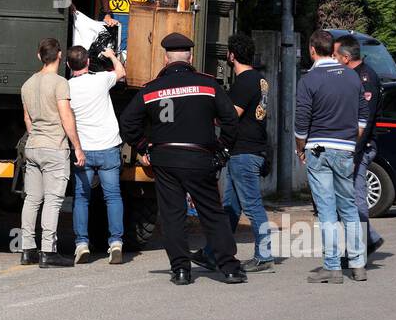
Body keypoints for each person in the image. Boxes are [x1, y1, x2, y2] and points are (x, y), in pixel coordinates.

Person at [119, 32, 246, 286]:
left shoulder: (151, 89)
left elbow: (127, 122)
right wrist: (222, 149)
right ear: (190, 57)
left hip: (165, 159)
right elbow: (231, 119)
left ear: (166, 59)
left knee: (172, 215)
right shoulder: (209, 85)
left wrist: (144, 147)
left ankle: (180, 270)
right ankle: (229, 269)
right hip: (200, 157)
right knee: (212, 213)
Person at [193, 33, 275, 272]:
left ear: (232, 55)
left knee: (252, 206)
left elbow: (230, 116)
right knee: (230, 208)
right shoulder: (260, 80)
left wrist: (209, 116)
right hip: (251, 150)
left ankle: (264, 255)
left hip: (244, 152)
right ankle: (212, 253)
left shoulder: (245, 82)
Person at [295, 29, 368, 282]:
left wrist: (300, 147)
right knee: (348, 206)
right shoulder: (351, 77)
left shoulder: (309, 80)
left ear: (312, 50)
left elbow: (301, 120)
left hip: (318, 149)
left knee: (326, 210)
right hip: (346, 148)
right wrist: (349, 142)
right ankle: (358, 264)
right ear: (332, 49)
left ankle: (332, 267)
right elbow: (362, 118)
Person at [19, 37, 84, 268]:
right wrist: (77, 146)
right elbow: (66, 117)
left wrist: (36, 134)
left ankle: (27, 249)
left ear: (39, 56)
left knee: (32, 200)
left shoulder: (27, 84)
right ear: (59, 56)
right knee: (53, 201)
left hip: (33, 146)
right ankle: (48, 250)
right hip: (54, 148)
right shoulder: (60, 83)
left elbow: (27, 119)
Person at [67, 43, 128, 265]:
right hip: (108, 147)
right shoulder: (101, 79)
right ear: (88, 63)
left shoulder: (67, 87)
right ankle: (116, 243)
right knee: (112, 196)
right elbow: (121, 73)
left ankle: (82, 244)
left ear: (68, 65)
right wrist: (112, 55)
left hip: (83, 150)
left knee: (82, 198)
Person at [334, 34, 385, 257]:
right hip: (351, 146)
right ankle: (369, 239)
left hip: (359, 148)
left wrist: (354, 153)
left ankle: (360, 250)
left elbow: (366, 119)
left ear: (346, 57)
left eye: (335, 55)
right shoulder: (352, 75)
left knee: (355, 196)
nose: (333, 59)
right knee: (345, 196)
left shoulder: (365, 78)